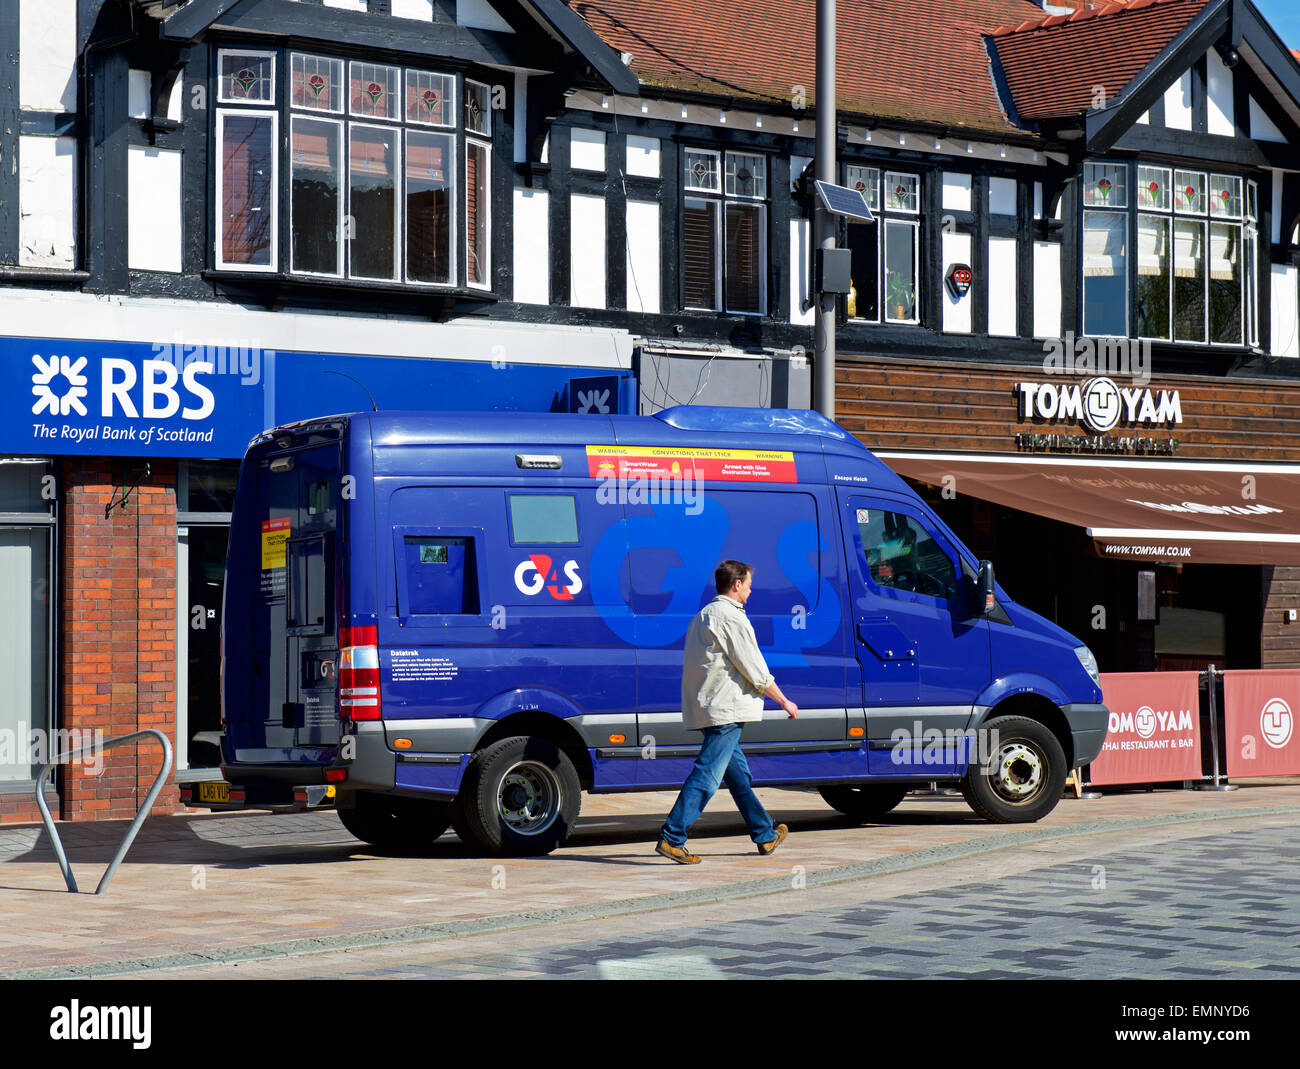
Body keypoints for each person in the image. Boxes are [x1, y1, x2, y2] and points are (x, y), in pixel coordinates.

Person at [655, 560, 799, 864]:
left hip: (710, 706)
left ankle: (765, 834)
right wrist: (783, 700)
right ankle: (672, 837)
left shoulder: (703, 616)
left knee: (737, 777)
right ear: (736, 585)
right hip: (726, 710)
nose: (750, 590)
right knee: (707, 774)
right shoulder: (731, 617)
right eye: (747, 584)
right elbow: (753, 667)